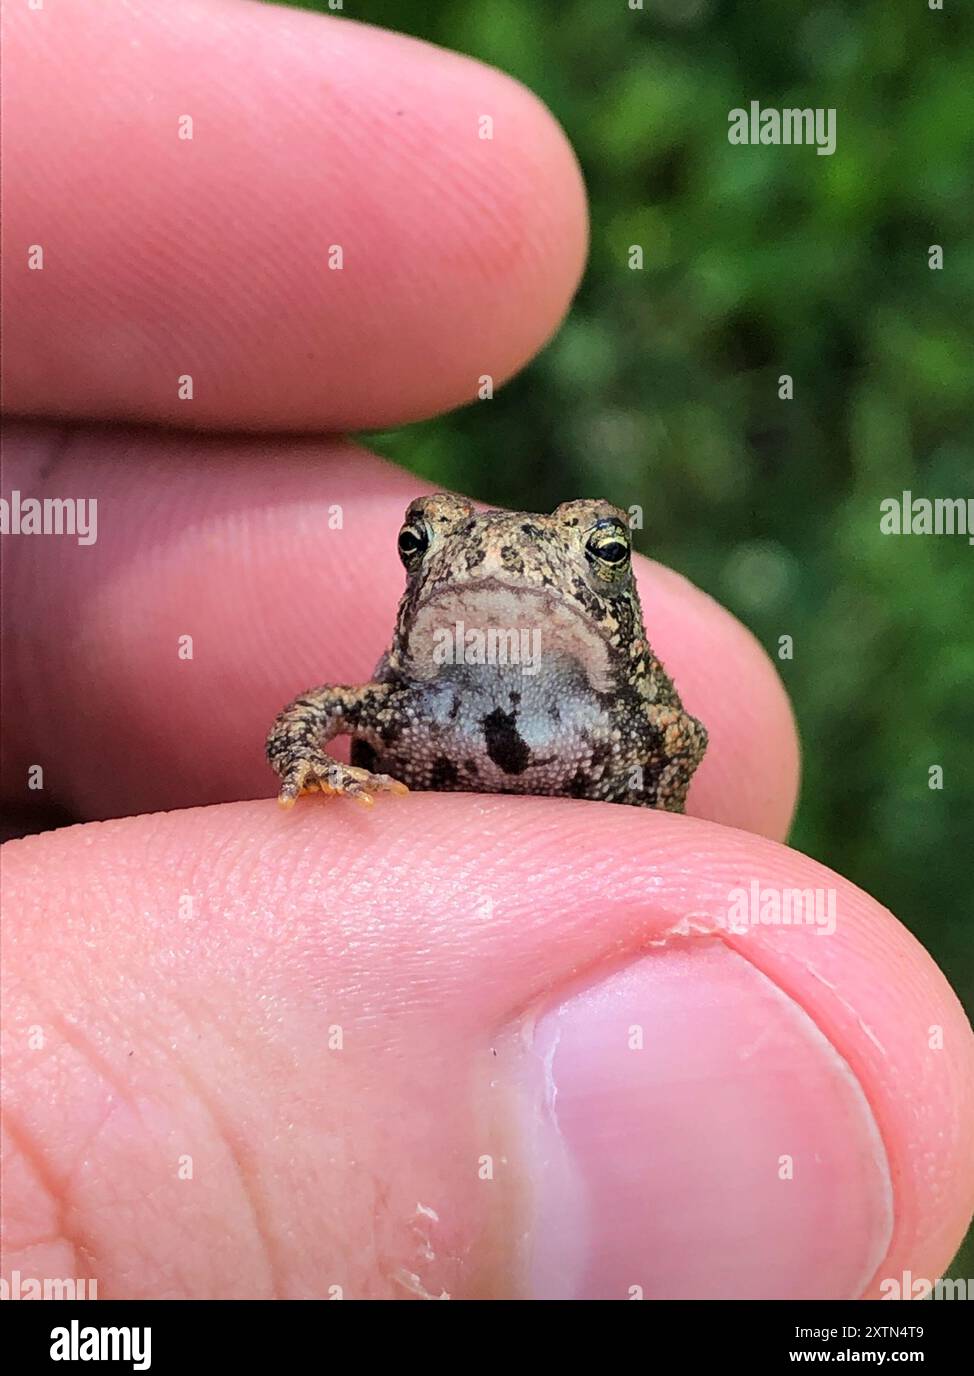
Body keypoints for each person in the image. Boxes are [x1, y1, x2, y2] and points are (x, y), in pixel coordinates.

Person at [2, 0, 971, 1300]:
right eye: (430, 548)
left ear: (610, 593)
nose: (498, 567)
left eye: (596, 555)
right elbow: (311, 717)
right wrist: (316, 773)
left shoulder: (633, 717)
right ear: (421, 584)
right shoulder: (401, 698)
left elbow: (680, 739)